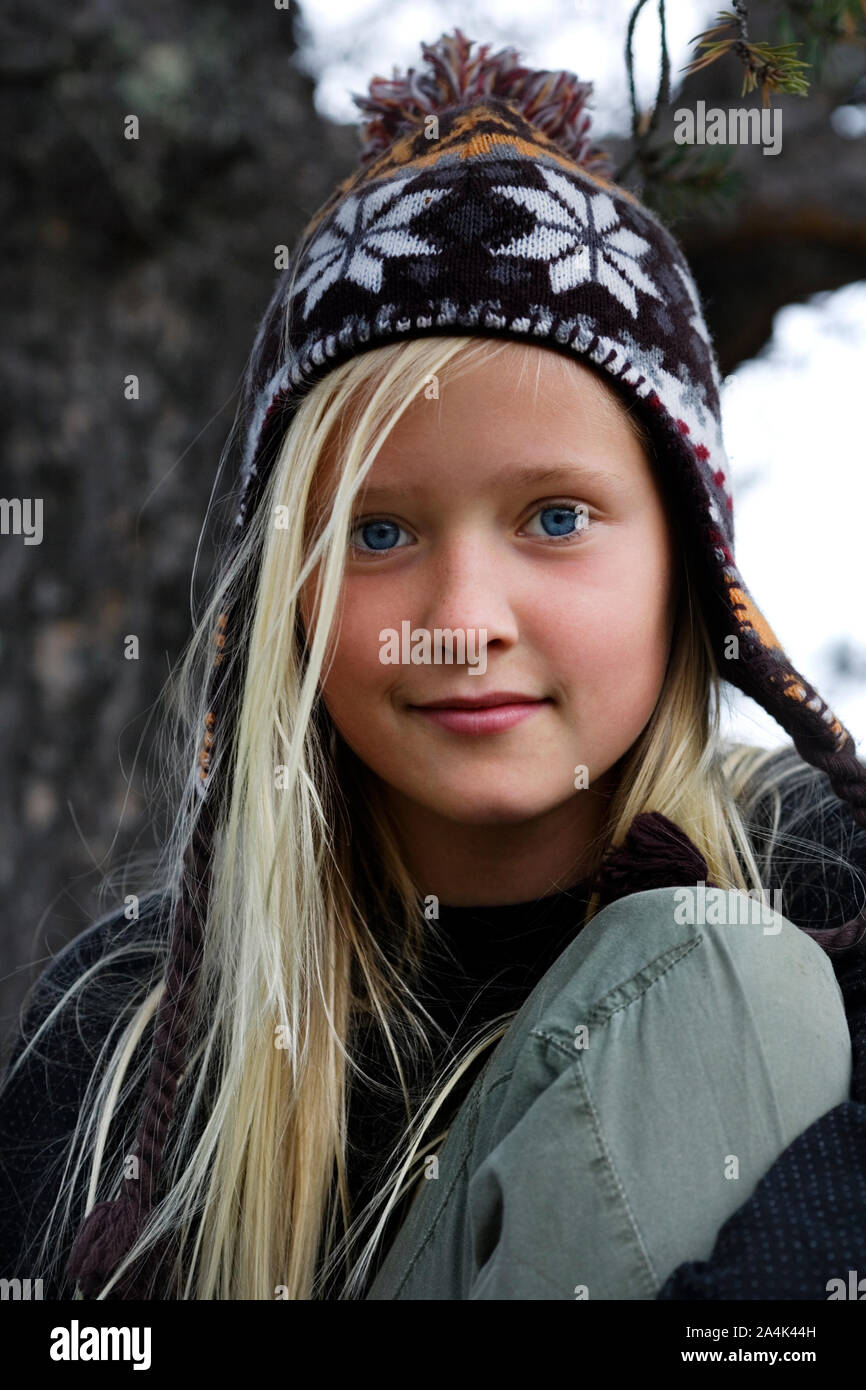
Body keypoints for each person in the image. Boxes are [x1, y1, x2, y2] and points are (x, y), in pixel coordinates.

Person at [2, 28, 866, 1302]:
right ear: (286, 598)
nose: (461, 620)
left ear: (690, 570)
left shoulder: (824, 888)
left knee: (722, 975)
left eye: (555, 519)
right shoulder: (130, 1029)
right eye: (379, 532)